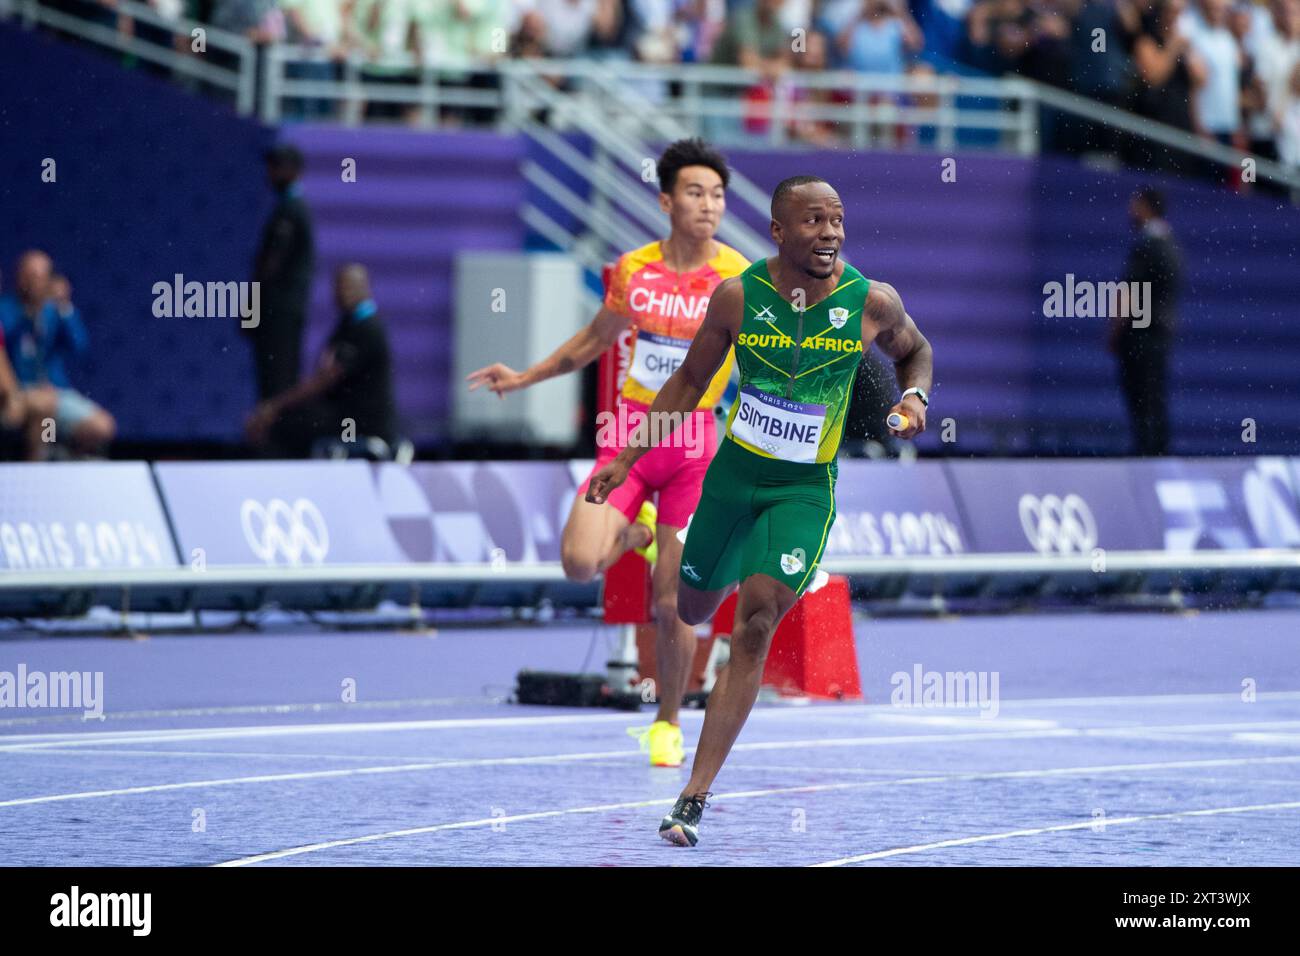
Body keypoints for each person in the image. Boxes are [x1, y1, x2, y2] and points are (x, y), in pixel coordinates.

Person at [587, 176, 934, 845]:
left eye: (837, 220)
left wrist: (915, 399)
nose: (830, 233)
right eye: (812, 221)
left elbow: (916, 351)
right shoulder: (739, 297)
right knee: (690, 611)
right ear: (778, 232)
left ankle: (693, 795)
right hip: (733, 481)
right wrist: (628, 461)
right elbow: (688, 384)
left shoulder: (872, 302)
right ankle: (676, 560)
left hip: (802, 492)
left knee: (756, 621)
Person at [467, 139, 750, 768]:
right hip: (628, 439)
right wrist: (525, 377)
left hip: (695, 447)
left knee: (672, 596)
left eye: (718, 196)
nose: (709, 206)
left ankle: (668, 722)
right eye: (696, 193)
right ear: (667, 201)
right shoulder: (633, 270)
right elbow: (593, 341)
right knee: (576, 561)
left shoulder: (739, 276)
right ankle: (638, 528)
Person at [246, 263, 397, 457]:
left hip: (356, 426)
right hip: (341, 416)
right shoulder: (347, 324)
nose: (344, 292)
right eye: (340, 286)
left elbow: (325, 380)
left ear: (366, 288)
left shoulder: (367, 328)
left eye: (350, 287)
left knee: (283, 427)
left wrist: (273, 408)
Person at [0, 252, 115, 460]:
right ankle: (41, 464)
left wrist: (65, 307)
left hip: (55, 389)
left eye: (40, 276)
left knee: (102, 426)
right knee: (46, 409)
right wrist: (28, 315)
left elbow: (79, 346)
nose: (34, 282)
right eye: (29, 276)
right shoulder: (6, 309)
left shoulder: (54, 311)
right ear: (19, 278)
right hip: (20, 391)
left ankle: (62, 456)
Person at [1109, 187, 1182, 456]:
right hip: (1160, 337)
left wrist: (1115, 331)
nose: (1131, 210)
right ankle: (1156, 453)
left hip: (1142, 339)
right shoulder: (1171, 246)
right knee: (1155, 400)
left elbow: (1129, 294)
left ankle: (1147, 458)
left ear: (1147, 207)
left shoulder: (1149, 248)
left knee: (1143, 402)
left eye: (1135, 203)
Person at [247, 143, 316, 405]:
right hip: (281, 311)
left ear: (292, 170)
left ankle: (276, 440)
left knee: (278, 380)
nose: (270, 174)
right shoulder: (290, 209)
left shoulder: (291, 211)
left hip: (279, 313)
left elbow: (270, 266)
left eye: (275, 167)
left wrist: (251, 306)